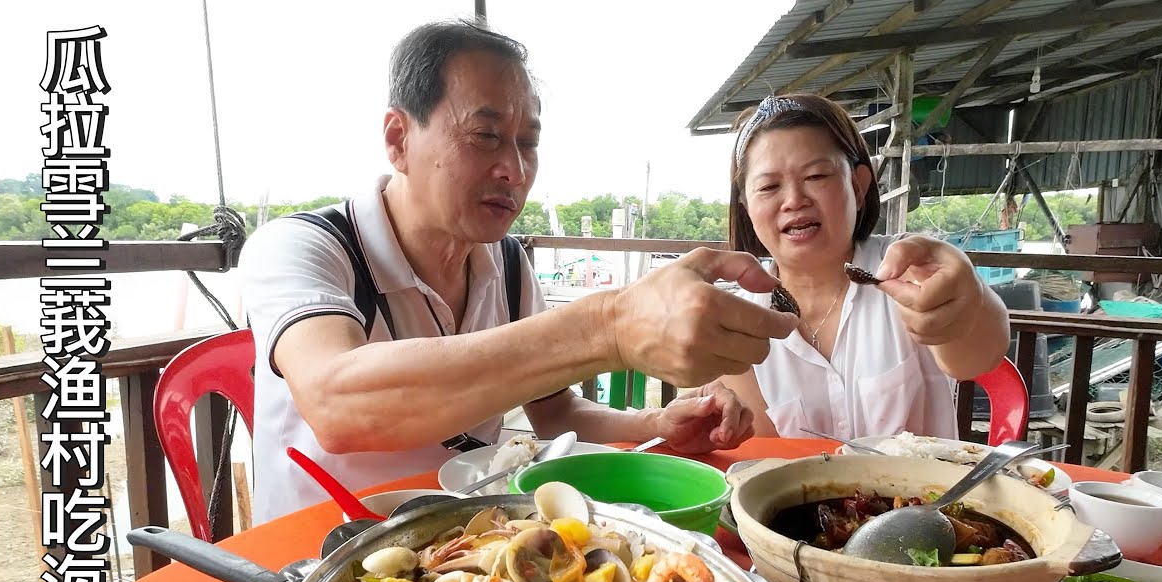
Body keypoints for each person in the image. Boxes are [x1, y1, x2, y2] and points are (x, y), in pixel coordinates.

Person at [239, 20, 797, 523]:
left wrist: (658, 426)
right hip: (314, 559)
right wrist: (607, 327)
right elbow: (338, 405)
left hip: (464, 547)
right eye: (484, 136)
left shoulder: (506, 263)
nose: (514, 169)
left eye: (527, 143)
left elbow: (556, 411)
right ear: (398, 139)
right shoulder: (301, 247)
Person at [718, 94, 1010, 441]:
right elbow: (764, 455)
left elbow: (978, 357)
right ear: (746, 206)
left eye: (817, 175)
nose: (794, 200)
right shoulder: (737, 323)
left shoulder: (909, 270)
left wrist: (966, 299)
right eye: (769, 186)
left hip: (929, 494)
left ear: (857, 186)